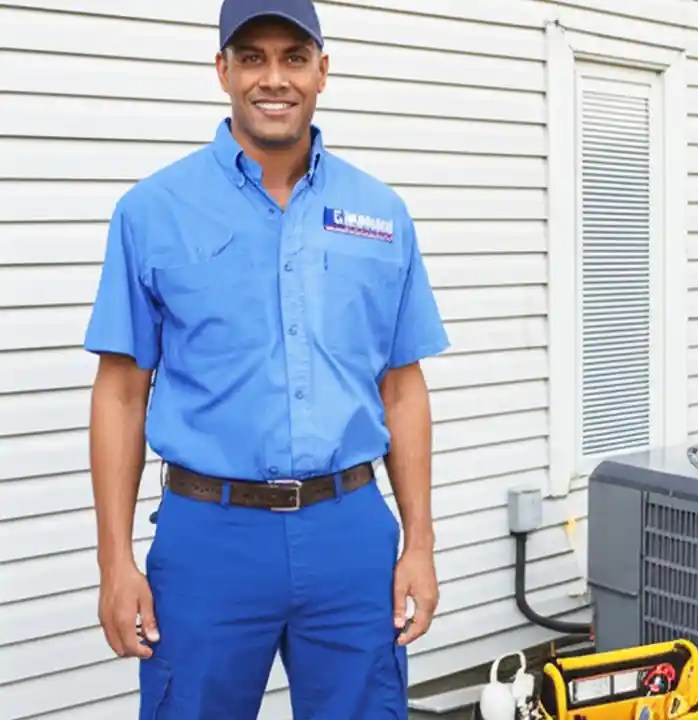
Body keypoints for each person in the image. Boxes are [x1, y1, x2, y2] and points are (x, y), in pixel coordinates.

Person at [83, 0, 450, 716]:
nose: (272, 78)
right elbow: (121, 393)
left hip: (349, 530)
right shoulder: (153, 211)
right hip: (210, 536)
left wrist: (421, 544)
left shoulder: (380, 215)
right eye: (252, 57)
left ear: (322, 71)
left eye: (292, 56)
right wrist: (114, 559)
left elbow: (402, 388)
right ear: (222, 70)